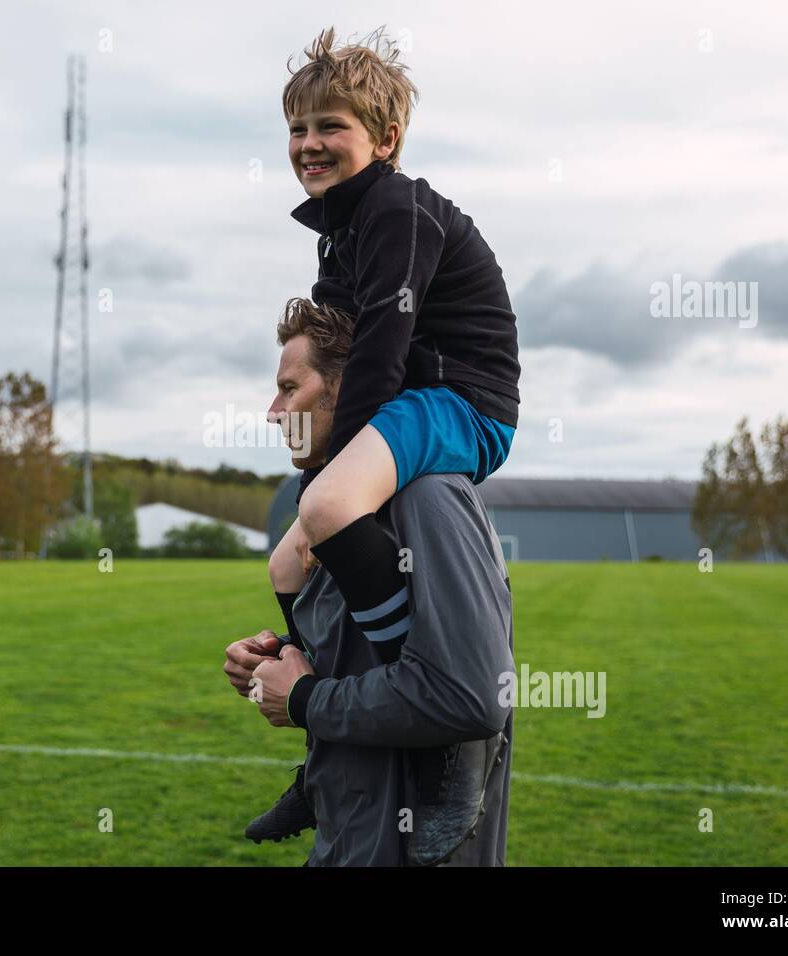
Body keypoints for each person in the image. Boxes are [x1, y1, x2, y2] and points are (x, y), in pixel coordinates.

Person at [256, 26, 522, 841]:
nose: (310, 143)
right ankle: (320, 755)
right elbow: (340, 344)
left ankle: (451, 748)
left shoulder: (397, 211)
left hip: (460, 402)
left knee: (330, 504)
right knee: (288, 557)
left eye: (332, 125)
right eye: (299, 128)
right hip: (415, 399)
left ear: (386, 138)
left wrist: (332, 470)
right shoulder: (340, 232)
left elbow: (377, 350)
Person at [225, 298, 515, 865]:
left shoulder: (427, 498)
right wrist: (279, 662)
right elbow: (376, 667)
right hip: (346, 840)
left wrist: (305, 699)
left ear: (347, 386)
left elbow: (473, 697)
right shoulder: (343, 511)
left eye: (289, 388)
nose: (273, 412)